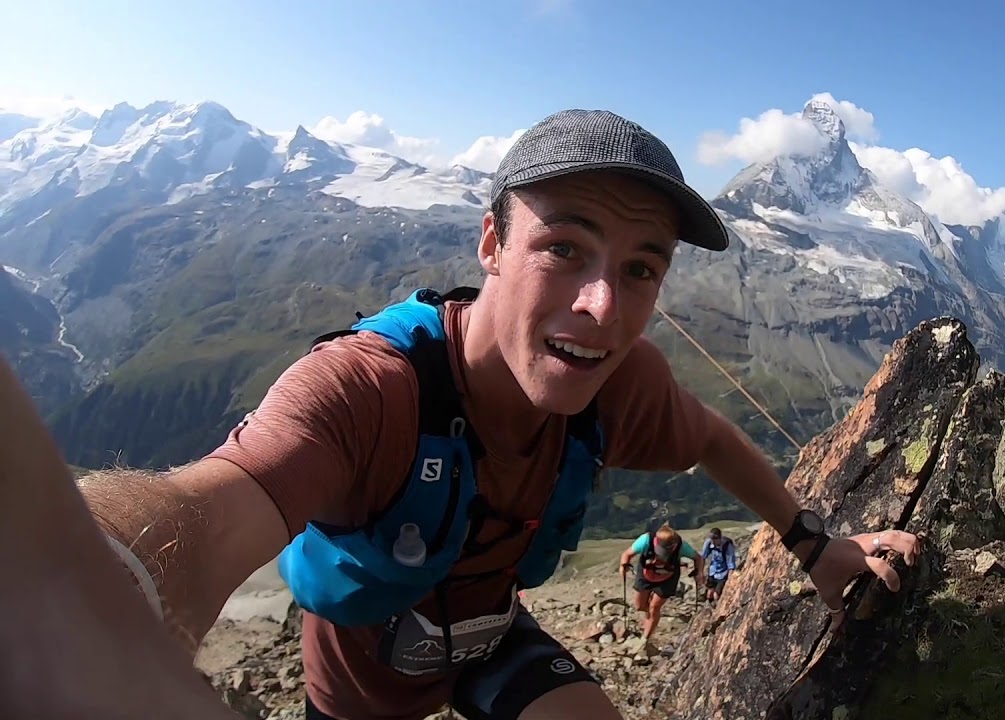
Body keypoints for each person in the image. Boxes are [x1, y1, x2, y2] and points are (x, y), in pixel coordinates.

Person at [0, 107, 922, 720]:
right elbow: (203, 514)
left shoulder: (617, 381)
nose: (603, 305)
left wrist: (816, 544)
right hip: (357, 690)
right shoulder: (369, 390)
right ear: (490, 242)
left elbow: (715, 441)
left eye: (642, 267)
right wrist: (79, 589)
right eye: (565, 246)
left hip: (482, 632)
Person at [619, 523, 704, 640]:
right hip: (646, 574)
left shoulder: (681, 546)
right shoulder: (645, 540)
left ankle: (645, 637)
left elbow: (698, 558)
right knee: (639, 606)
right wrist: (623, 566)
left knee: (654, 607)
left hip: (668, 578)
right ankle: (650, 615)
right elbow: (627, 554)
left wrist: (699, 573)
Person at [701, 527, 736, 603]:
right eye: (711, 539)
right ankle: (709, 609)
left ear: (720, 538)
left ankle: (717, 608)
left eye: (715, 539)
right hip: (713, 571)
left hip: (723, 573)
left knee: (716, 595)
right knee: (709, 593)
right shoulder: (709, 543)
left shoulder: (727, 546)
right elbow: (702, 557)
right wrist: (700, 572)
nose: (713, 541)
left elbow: (731, 565)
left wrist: (730, 580)